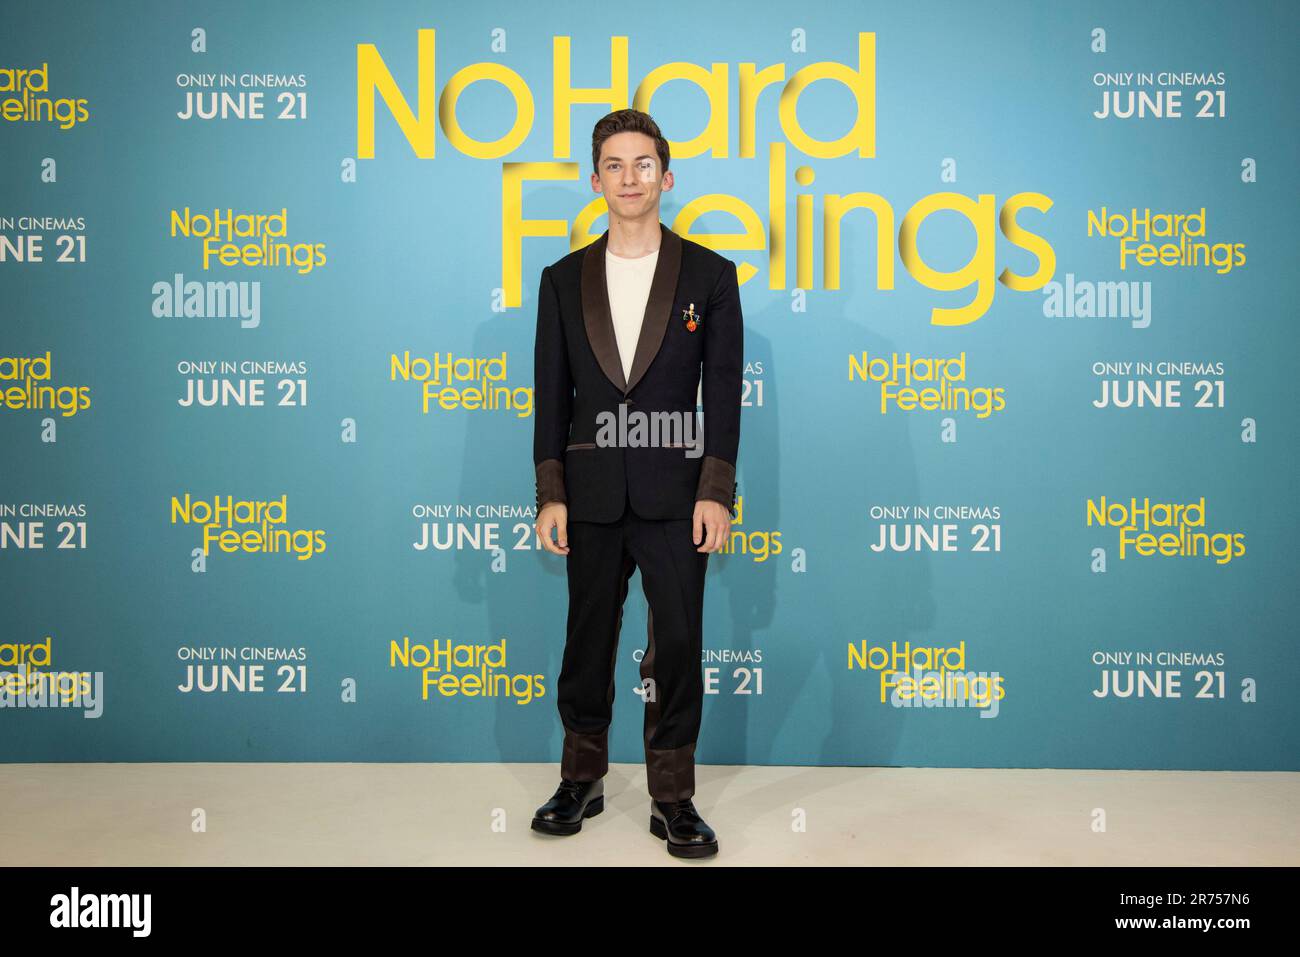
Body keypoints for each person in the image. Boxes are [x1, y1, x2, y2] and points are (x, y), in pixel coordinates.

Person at [529, 109, 743, 859]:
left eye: (643, 164)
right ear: (595, 180)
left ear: (667, 176)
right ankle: (580, 777)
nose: (629, 178)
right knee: (587, 637)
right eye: (614, 165)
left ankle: (673, 797)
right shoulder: (561, 280)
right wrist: (549, 490)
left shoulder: (711, 275)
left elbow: (723, 390)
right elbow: (550, 395)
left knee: (678, 642)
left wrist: (716, 489)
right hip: (588, 496)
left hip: (677, 495)